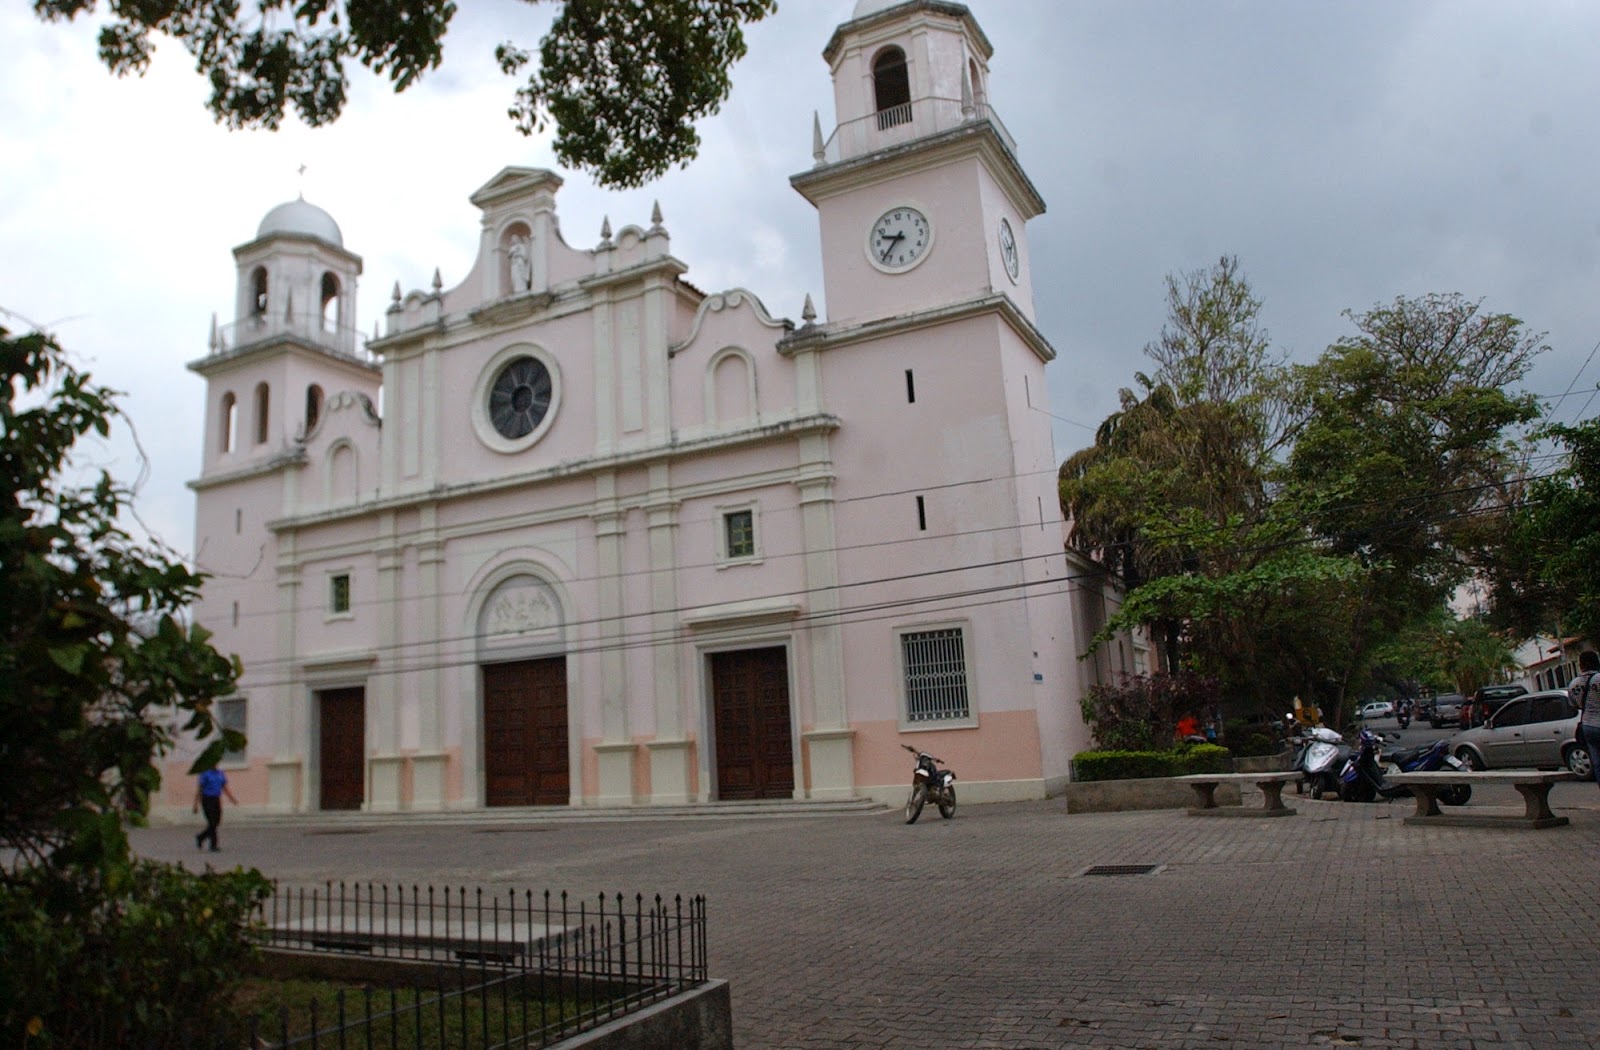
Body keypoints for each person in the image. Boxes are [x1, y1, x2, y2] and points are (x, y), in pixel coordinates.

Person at [1568, 650, 1600, 785]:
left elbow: (1574, 705)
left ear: (1581, 665)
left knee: (1597, 762)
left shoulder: (1574, 684)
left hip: (1588, 725)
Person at [193, 766, 239, 852]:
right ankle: (213, 845)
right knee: (212, 822)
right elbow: (200, 789)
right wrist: (195, 804)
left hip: (216, 799)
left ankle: (201, 837)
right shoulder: (205, 773)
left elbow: (224, 787)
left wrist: (232, 798)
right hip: (207, 799)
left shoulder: (220, 773)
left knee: (217, 821)